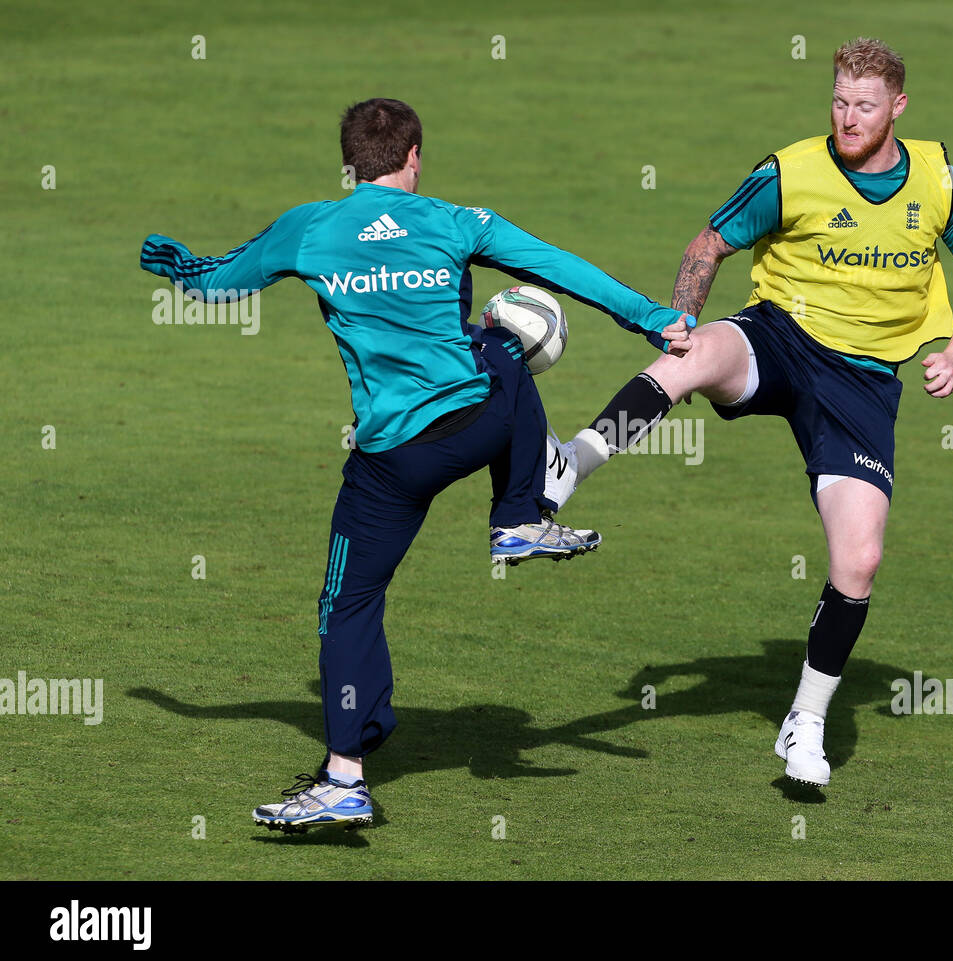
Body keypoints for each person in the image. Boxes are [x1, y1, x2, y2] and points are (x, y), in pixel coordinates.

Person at [139, 98, 688, 829]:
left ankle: (344, 778)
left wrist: (171, 260)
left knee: (349, 606)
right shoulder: (458, 221)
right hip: (478, 427)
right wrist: (651, 317)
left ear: (351, 163)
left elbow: (220, 284)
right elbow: (559, 267)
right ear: (415, 156)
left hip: (393, 460)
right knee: (499, 345)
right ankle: (519, 518)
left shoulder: (308, 228)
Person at [547, 38, 953, 787]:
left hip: (862, 387)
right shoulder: (790, 173)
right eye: (838, 100)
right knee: (689, 361)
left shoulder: (940, 181)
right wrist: (682, 318)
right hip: (782, 338)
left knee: (859, 560)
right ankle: (572, 462)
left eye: (864, 104)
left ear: (898, 106)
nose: (848, 117)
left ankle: (806, 721)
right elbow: (709, 244)